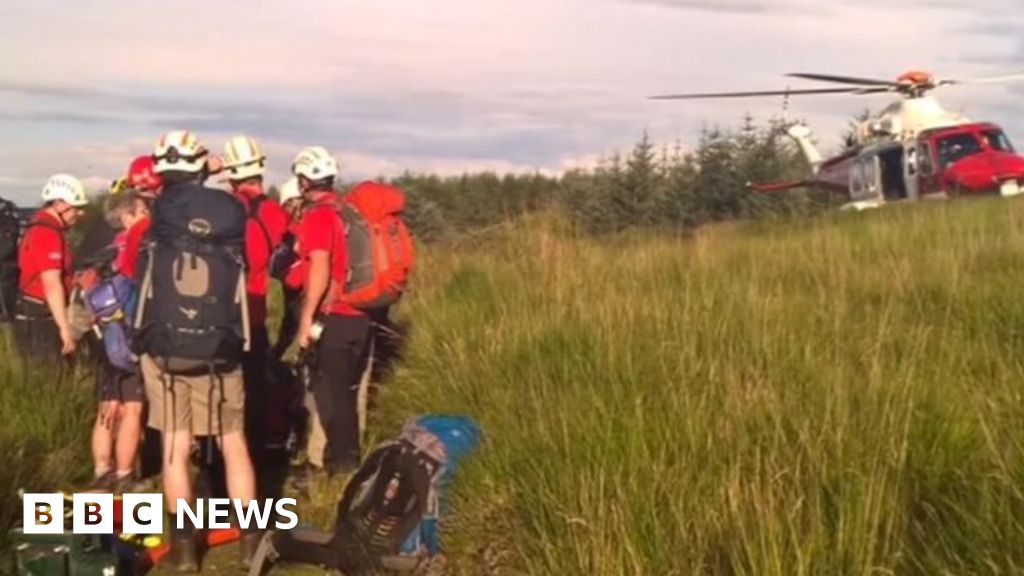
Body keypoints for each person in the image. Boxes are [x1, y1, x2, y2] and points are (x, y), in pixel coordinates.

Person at [135, 130, 259, 569]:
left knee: (175, 443)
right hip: (220, 344)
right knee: (233, 441)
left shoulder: (158, 216)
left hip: (165, 347)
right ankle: (250, 542)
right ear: (200, 164)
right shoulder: (229, 211)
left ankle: (185, 549)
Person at [293, 147, 370, 476]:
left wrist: (307, 317)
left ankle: (341, 467)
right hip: (360, 313)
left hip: (333, 315)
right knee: (348, 394)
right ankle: (348, 460)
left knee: (332, 394)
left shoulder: (318, 216)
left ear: (305, 180)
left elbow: (320, 266)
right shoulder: (348, 211)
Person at [222, 135, 288, 468]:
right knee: (256, 385)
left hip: (224, 314)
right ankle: (257, 451)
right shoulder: (275, 212)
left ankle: (222, 456)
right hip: (257, 311)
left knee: (225, 387)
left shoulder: (225, 209)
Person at [89, 192, 149, 491]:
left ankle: (101, 470)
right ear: (128, 215)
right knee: (133, 408)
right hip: (128, 334)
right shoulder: (138, 245)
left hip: (102, 334)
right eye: (141, 209)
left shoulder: (106, 247)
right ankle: (125, 475)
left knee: (107, 405)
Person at [13, 174, 88, 364]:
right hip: (40, 317)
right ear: (59, 204)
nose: (79, 214)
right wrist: (64, 328)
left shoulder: (41, 226)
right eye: (75, 208)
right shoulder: (47, 233)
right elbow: (52, 284)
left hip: (36, 313)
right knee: (51, 377)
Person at [271, 177, 304, 360]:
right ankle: (279, 358)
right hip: (296, 284)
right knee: (293, 322)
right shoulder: (289, 229)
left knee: (292, 324)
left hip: (297, 282)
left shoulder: (291, 227)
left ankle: (278, 358)